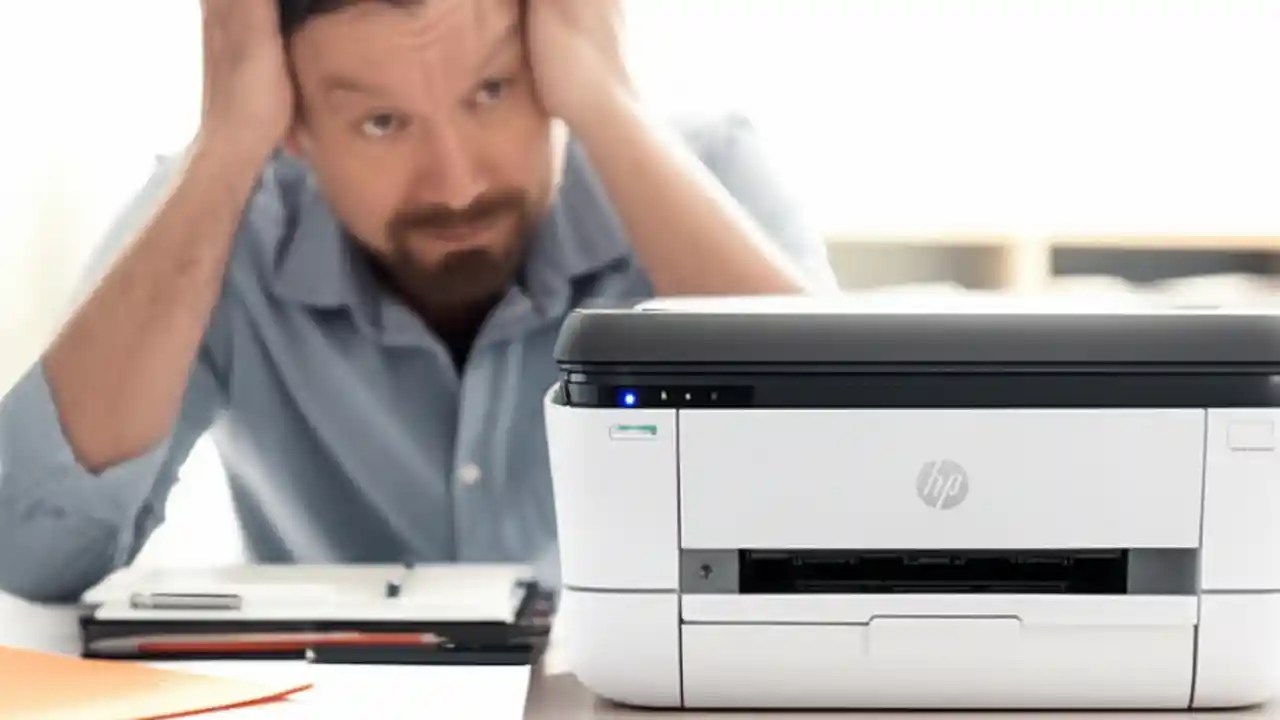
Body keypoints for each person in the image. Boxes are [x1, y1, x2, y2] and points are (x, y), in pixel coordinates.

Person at [0, 0, 835, 602]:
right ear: (293, 122)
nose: (456, 182)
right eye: (381, 123)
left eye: (492, 92)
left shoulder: (706, 169)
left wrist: (605, 101)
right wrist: (226, 142)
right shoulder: (217, 221)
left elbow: (844, 488)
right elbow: (31, 549)